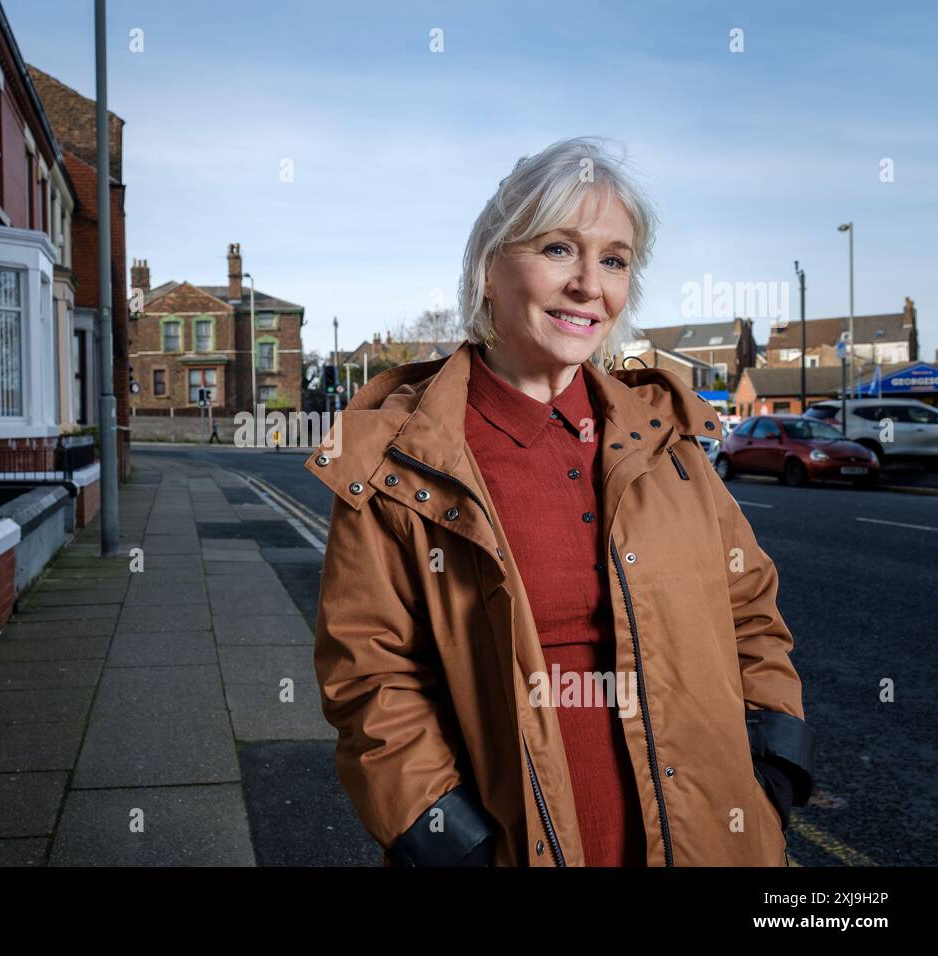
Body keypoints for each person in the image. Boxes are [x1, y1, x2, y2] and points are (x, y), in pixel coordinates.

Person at [305, 137, 813, 867]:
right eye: (556, 249)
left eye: (613, 260)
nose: (587, 284)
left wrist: (771, 774)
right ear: (487, 269)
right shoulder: (399, 459)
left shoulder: (666, 442)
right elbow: (370, 676)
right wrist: (450, 842)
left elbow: (752, 614)